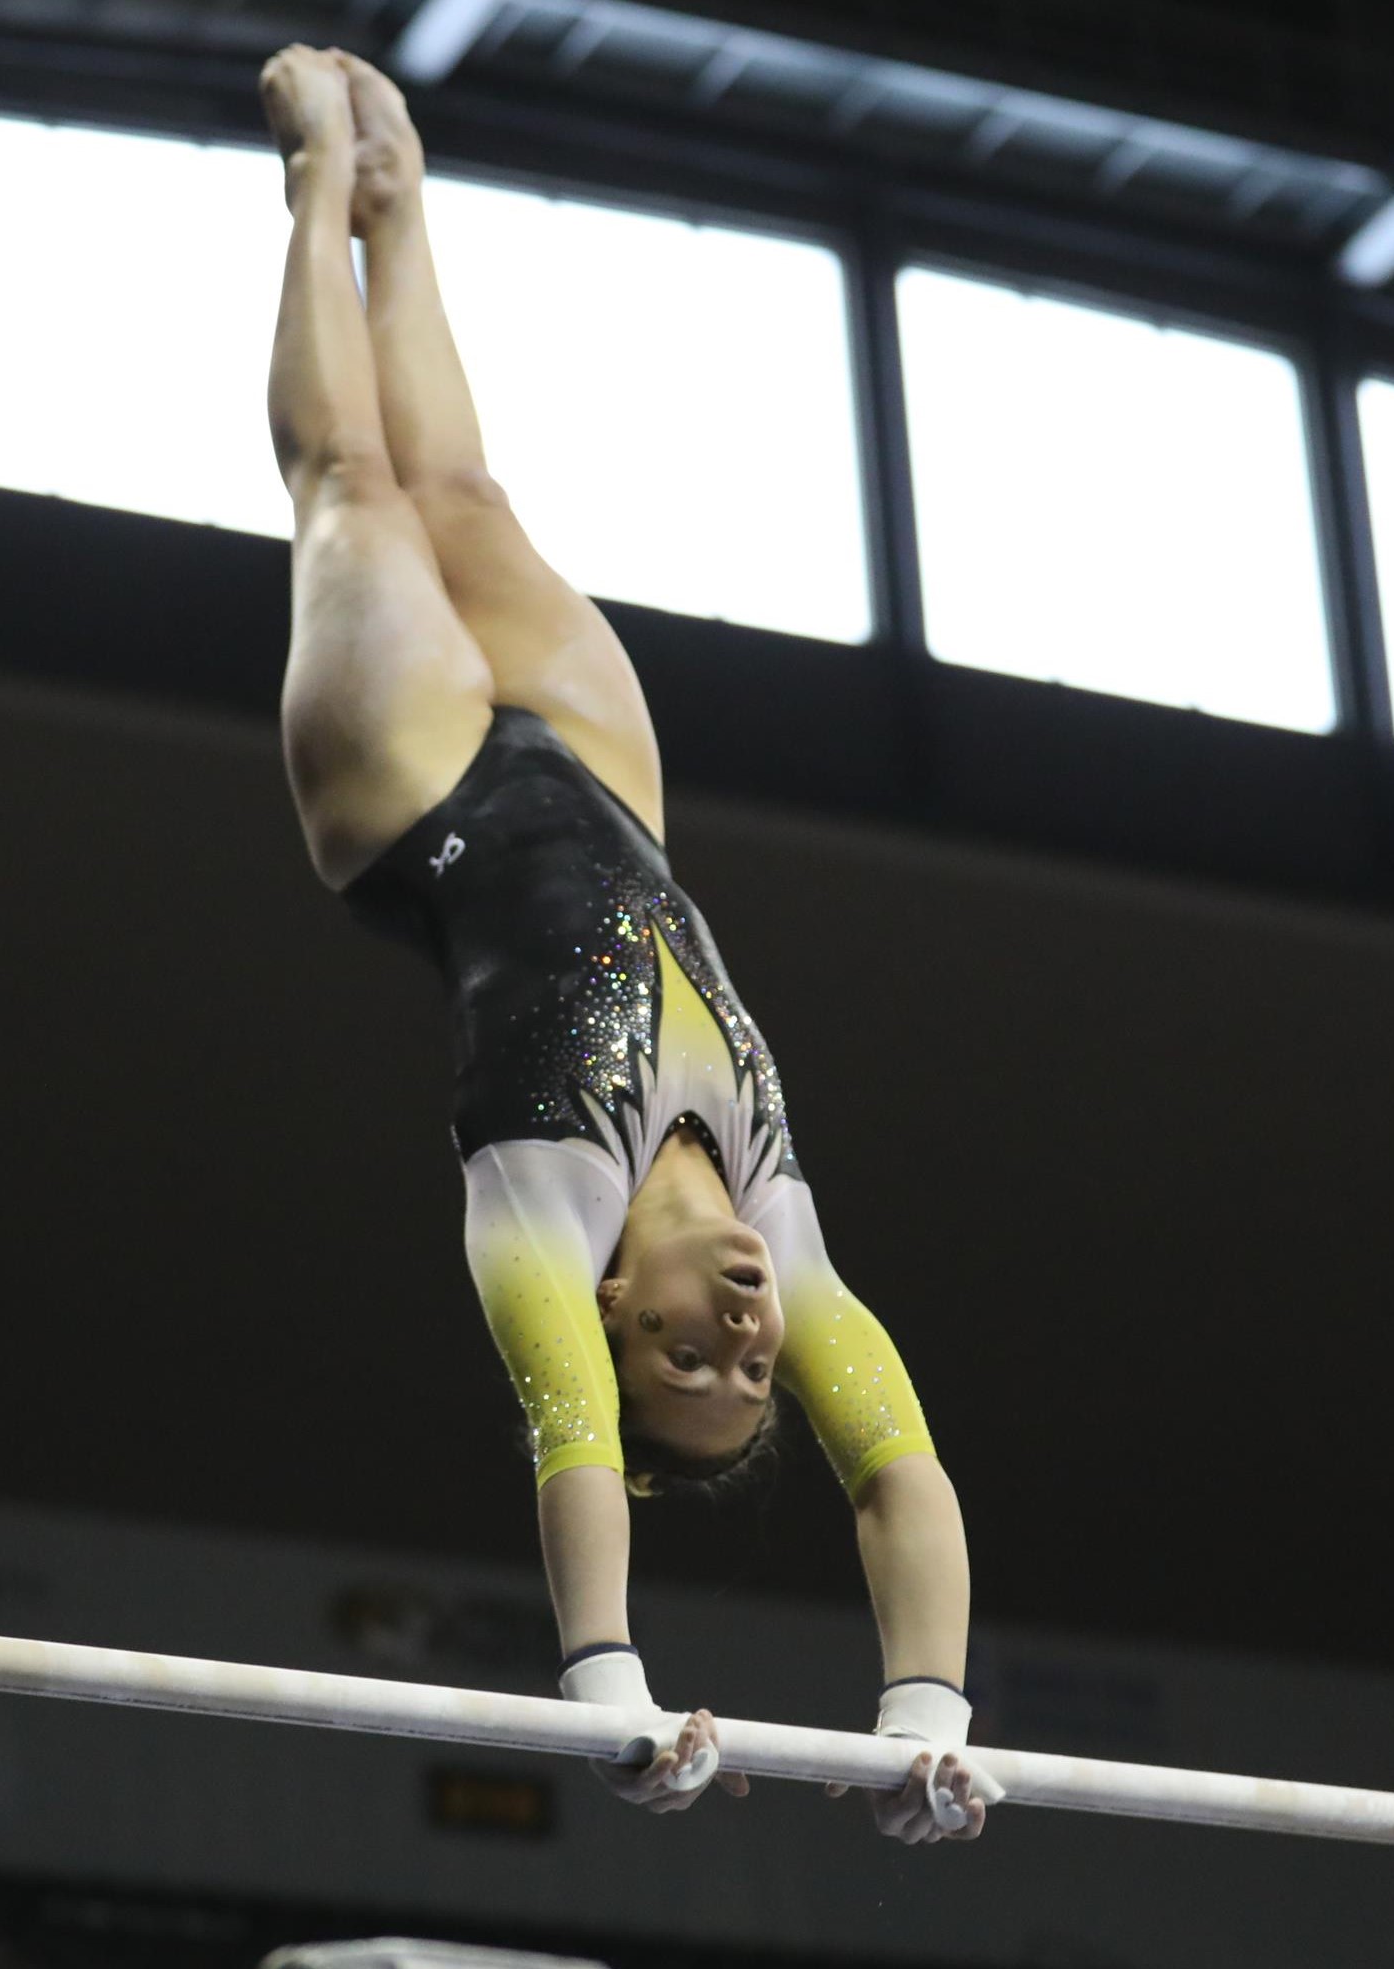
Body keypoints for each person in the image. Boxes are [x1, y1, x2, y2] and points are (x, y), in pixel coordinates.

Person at [256, 45, 995, 1845]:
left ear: (610, 1320)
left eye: (694, 1357)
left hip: (416, 803)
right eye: (755, 1367)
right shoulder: (789, 1237)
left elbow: (569, 1445)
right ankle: (403, 199)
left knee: (359, 481)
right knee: (480, 501)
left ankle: (301, 187)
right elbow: (898, 1474)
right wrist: (929, 1716)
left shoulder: (539, 1223)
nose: (746, 1334)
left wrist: (607, 1679)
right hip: (611, 797)